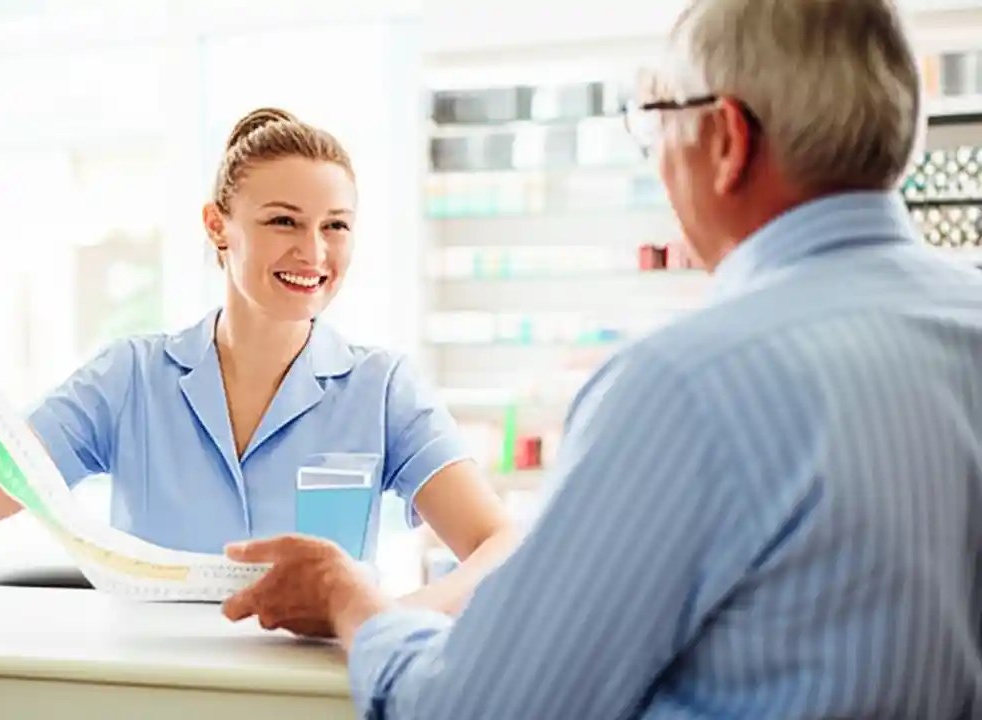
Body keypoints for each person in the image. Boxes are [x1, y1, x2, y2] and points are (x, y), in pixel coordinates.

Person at [220, 1, 982, 717]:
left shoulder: (690, 387)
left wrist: (351, 601)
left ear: (725, 141)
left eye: (655, 121)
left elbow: (485, 707)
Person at [0, 108, 518, 614]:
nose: (314, 252)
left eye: (336, 226)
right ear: (218, 226)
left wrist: (395, 615)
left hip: (309, 698)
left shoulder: (381, 389)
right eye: (282, 222)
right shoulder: (130, 382)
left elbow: (501, 549)